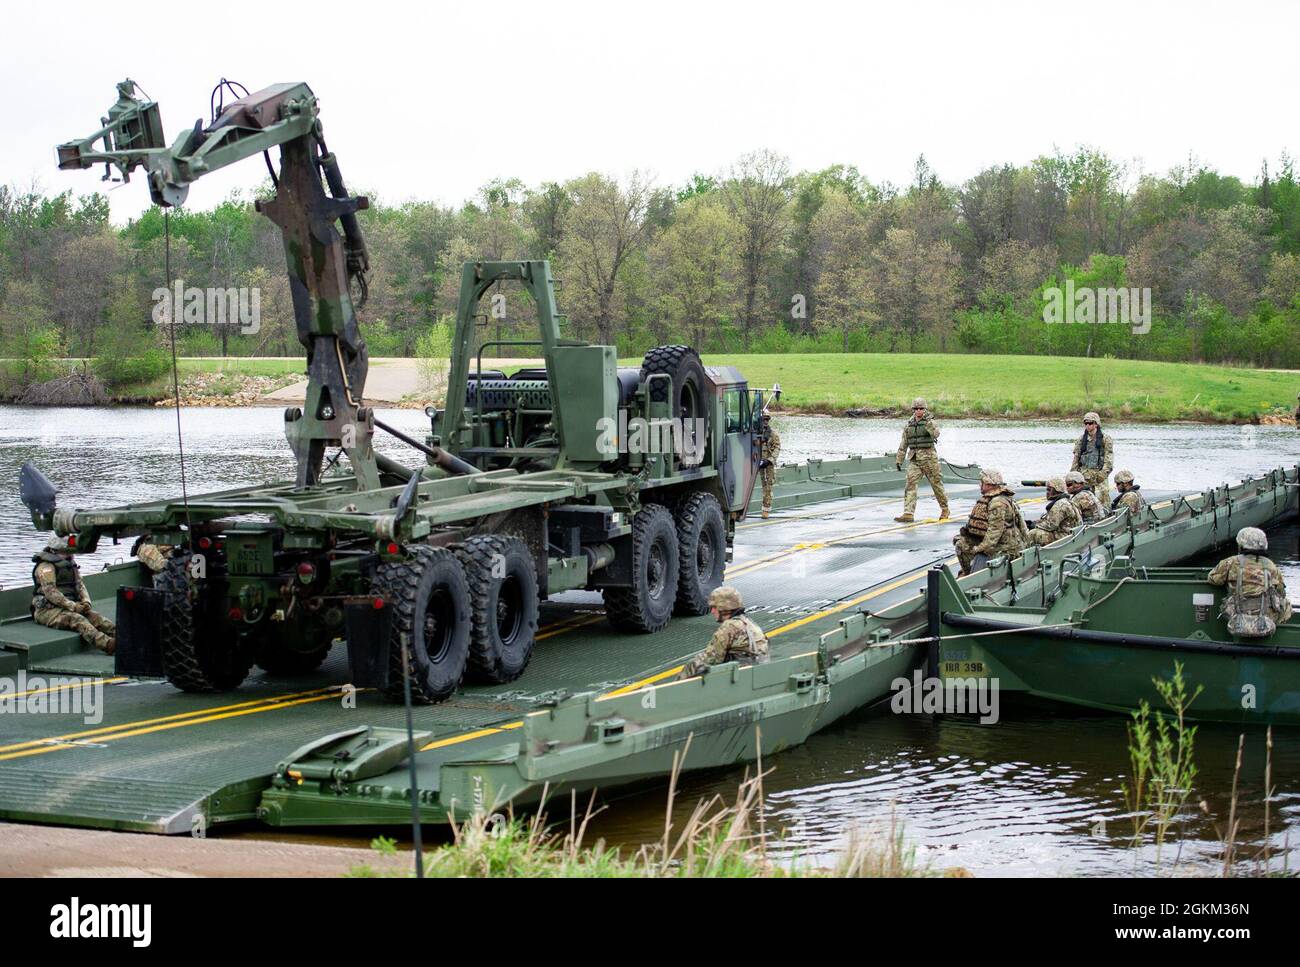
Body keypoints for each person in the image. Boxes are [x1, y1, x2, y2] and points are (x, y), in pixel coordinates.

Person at [30, 535, 115, 654]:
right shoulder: (46, 566)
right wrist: (73, 606)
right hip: (47, 611)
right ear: (56, 549)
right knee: (77, 619)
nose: (71, 554)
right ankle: (108, 644)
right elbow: (51, 592)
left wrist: (86, 602)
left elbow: (80, 585)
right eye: (67, 551)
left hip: (68, 606)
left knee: (97, 618)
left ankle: (124, 637)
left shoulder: (69, 563)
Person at [1207, 527, 1293, 632]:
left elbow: (1213, 579)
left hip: (1237, 615)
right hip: (1267, 617)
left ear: (1241, 544)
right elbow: (1281, 592)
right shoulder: (1271, 566)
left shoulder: (1231, 562)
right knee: (1286, 603)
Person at [680, 586, 770, 678]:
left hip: (739, 677)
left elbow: (711, 659)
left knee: (693, 665)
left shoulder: (729, 628)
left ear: (724, 608)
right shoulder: (750, 624)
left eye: (714, 607)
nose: (712, 611)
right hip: (759, 673)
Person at [952, 469, 1029, 576]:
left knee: (961, 545)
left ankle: (968, 576)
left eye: (982, 482)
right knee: (961, 540)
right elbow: (1022, 525)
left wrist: (979, 549)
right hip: (1007, 543)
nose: (980, 485)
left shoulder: (997, 503)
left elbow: (994, 533)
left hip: (1004, 548)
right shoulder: (1003, 498)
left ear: (988, 484)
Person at [894, 397, 950, 523]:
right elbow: (904, 443)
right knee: (910, 483)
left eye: (921, 409)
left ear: (925, 409)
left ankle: (945, 509)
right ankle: (908, 513)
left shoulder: (930, 422)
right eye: (916, 409)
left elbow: (936, 434)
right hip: (914, 458)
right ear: (913, 410)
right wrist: (899, 459)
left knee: (936, 484)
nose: (919, 411)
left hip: (929, 458)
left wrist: (929, 425)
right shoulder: (909, 424)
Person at [1070, 411, 1113, 505]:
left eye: (1090, 423)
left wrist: (1102, 475)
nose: (1088, 425)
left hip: (1099, 477)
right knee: (1082, 502)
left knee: (1103, 501)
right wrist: (1073, 476)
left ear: (1096, 424)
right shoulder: (1081, 440)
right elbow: (1076, 459)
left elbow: (1108, 460)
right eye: (1086, 423)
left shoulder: (1105, 439)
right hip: (1084, 477)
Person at [1029, 477, 1082, 545]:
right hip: (1071, 534)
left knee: (1033, 533)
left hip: (1065, 537)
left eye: (1049, 490)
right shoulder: (1066, 501)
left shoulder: (1060, 505)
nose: (1047, 493)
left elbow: (1051, 525)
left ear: (1056, 490)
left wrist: (1033, 525)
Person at [759, 413, 781, 519]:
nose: (765, 421)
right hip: (758, 463)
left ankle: (766, 509)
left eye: (767, 419)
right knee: (762, 485)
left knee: (768, 487)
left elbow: (777, 448)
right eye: (764, 419)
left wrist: (770, 460)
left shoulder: (773, 434)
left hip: (768, 464)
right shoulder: (756, 433)